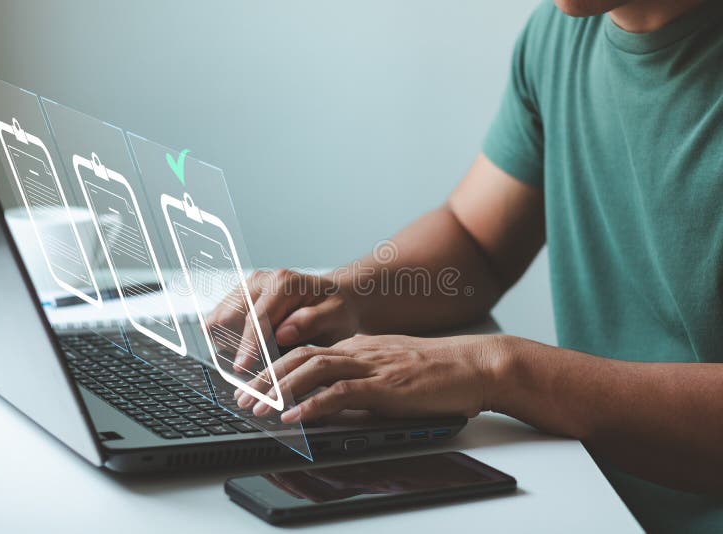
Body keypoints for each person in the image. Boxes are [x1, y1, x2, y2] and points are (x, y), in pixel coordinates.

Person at [224, 1, 723, 531]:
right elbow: (475, 241)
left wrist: (498, 369)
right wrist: (346, 294)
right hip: (593, 496)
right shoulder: (558, 34)